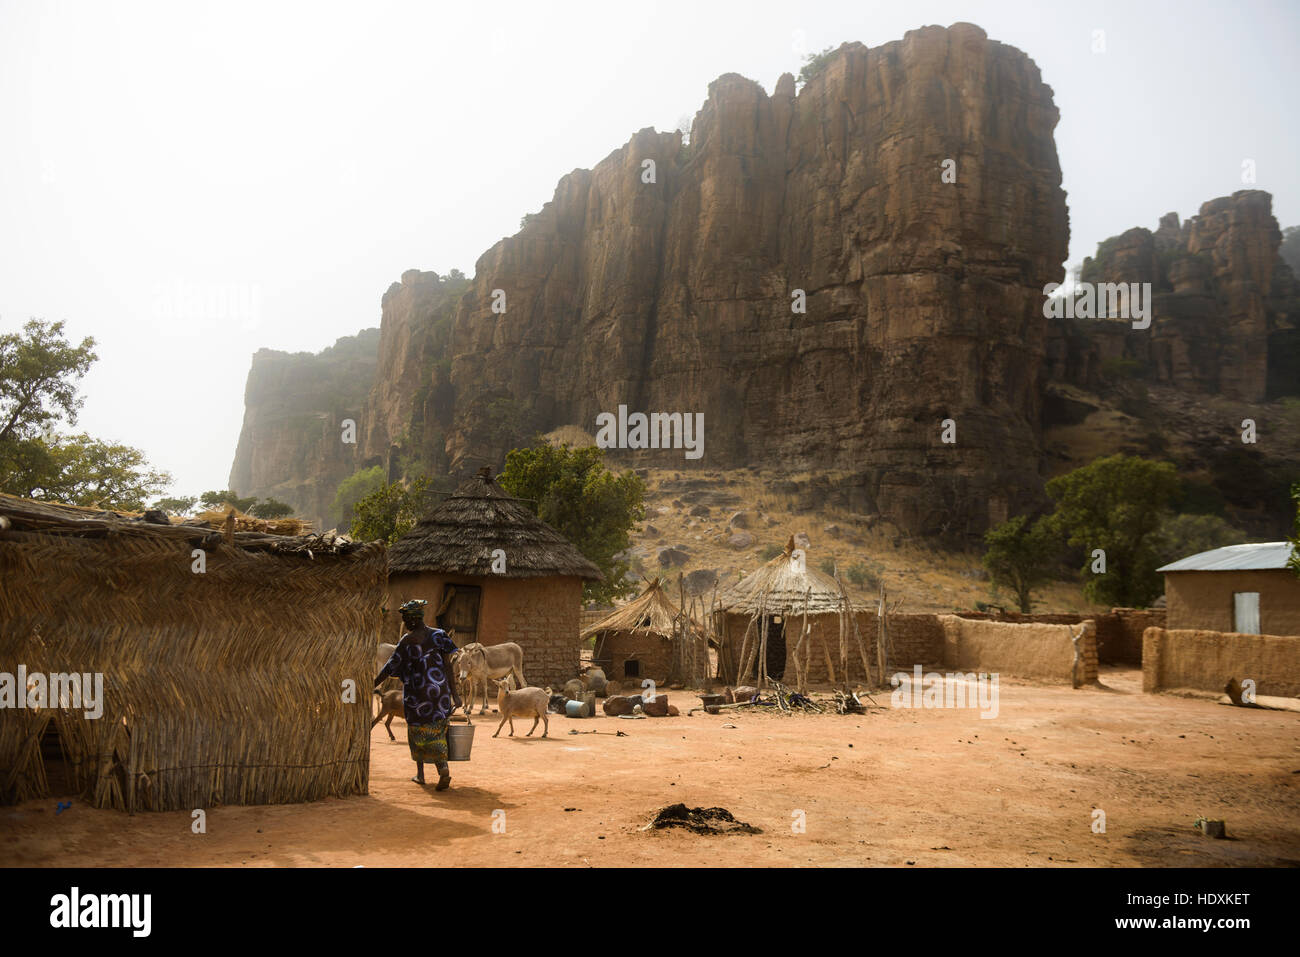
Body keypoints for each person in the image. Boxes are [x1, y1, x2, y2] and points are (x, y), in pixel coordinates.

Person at [375, 599, 462, 791]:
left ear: (413, 620)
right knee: (437, 732)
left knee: (417, 734)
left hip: (417, 696)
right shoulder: (439, 635)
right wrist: (455, 695)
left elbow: (390, 667)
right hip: (440, 695)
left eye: (406, 619)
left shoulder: (406, 641)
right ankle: (443, 768)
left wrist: (372, 684)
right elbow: (448, 666)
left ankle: (420, 775)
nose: (405, 623)